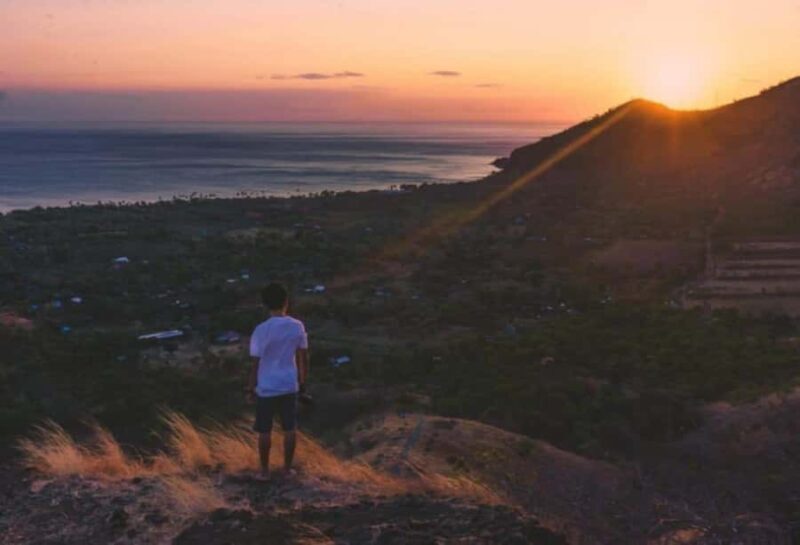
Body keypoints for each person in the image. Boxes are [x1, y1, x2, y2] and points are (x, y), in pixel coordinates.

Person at [248, 282, 309, 480]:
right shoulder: (297, 326)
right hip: (289, 384)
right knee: (289, 428)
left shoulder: (260, 330)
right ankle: (286, 469)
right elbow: (303, 357)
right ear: (286, 302)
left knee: (265, 430)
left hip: (266, 386)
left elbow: (255, 363)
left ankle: (264, 471)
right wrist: (302, 381)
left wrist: (251, 388)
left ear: (265, 304)